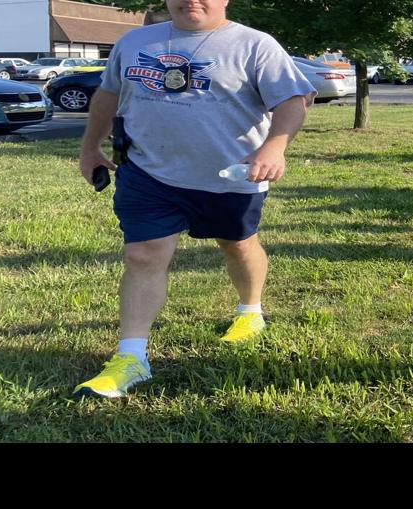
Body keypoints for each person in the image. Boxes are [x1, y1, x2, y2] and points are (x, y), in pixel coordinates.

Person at [72, 0, 314, 398]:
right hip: (149, 172)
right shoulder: (134, 41)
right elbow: (108, 95)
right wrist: (90, 148)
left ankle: (250, 311)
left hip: (230, 176)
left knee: (237, 244)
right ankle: (132, 358)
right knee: (142, 255)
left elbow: (292, 100)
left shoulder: (255, 45)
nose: (192, 0)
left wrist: (274, 147)